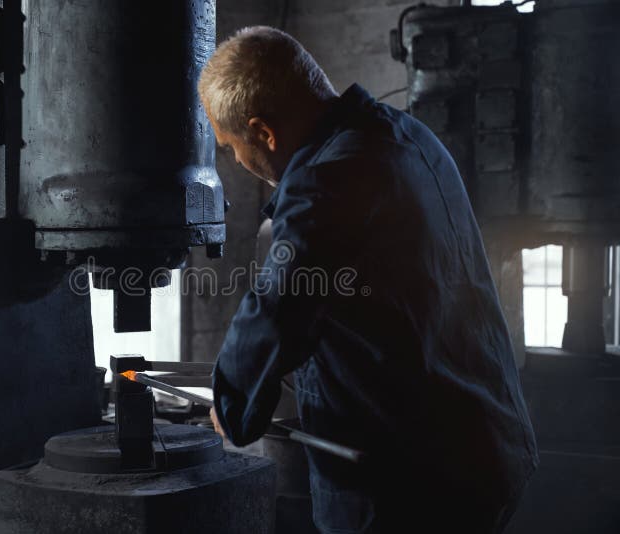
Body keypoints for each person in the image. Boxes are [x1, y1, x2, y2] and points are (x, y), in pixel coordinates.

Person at [200, 26, 538, 533]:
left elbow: (276, 309)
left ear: (264, 132)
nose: (239, 163)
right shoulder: (405, 135)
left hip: (409, 484)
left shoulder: (324, 183)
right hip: (486, 445)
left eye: (231, 148)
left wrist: (231, 401)